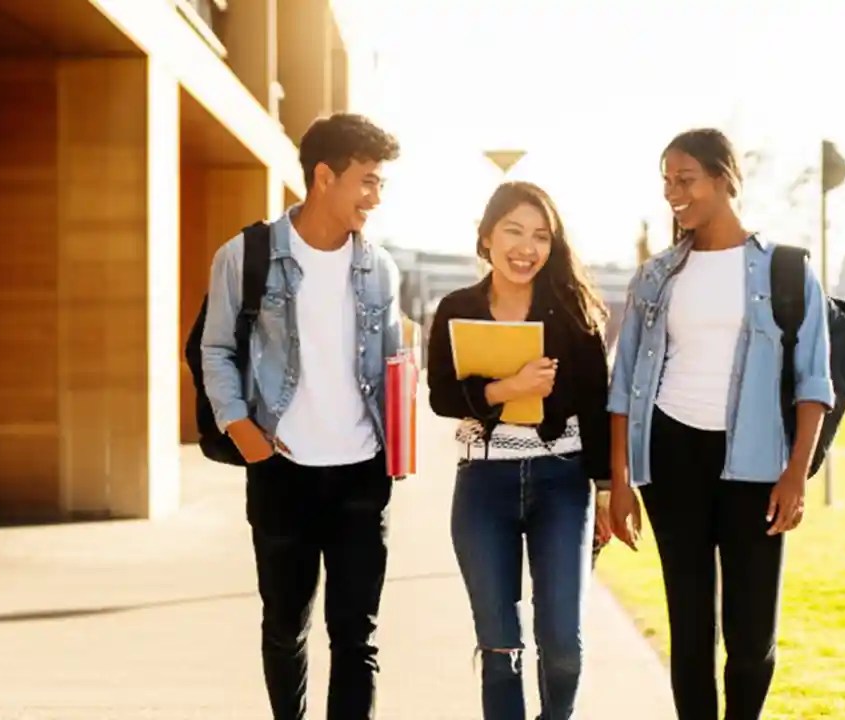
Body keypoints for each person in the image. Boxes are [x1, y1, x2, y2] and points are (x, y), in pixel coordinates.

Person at [605, 128, 835, 720]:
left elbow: (813, 382)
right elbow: (625, 382)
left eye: (686, 180)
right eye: (667, 182)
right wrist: (621, 481)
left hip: (756, 463)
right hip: (672, 456)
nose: (673, 193)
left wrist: (797, 474)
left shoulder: (786, 271)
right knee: (689, 625)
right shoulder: (656, 276)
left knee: (752, 634)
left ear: (724, 180)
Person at [200, 113, 404, 720]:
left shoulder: (380, 267)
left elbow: (392, 363)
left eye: (381, 183)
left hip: (363, 475)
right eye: (367, 181)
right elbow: (216, 347)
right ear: (324, 176)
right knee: (285, 626)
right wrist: (242, 431)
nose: (376, 196)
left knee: (356, 636)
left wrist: (400, 440)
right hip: (281, 471)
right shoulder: (247, 254)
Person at [426, 181, 614, 720]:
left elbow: (599, 409)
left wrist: (604, 490)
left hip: (562, 482)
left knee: (562, 645)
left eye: (540, 236)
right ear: (486, 237)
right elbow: (441, 393)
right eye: (513, 231)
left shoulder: (574, 313)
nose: (526, 247)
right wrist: (508, 388)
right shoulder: (457, 307)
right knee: (499, 645)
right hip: (485, 485)